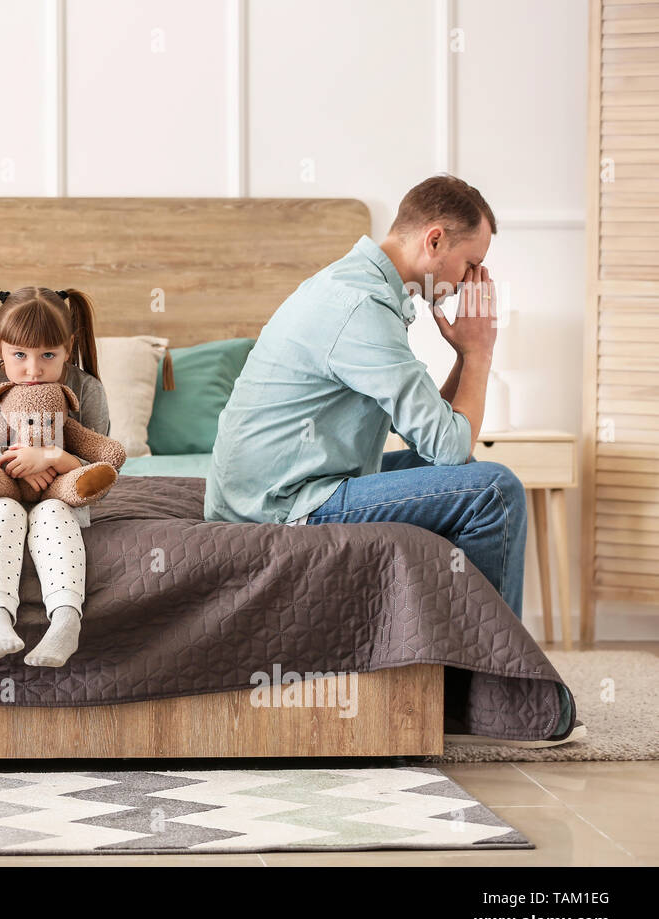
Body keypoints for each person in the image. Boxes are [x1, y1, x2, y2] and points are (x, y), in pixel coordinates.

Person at [205, 174, 527, 617]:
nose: (471, 281)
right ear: (435, 241)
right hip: (278, 506)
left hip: (282, 488)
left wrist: (463, 356)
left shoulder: (363, 290)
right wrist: (480, 352)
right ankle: (493, 680)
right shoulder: (361, 306)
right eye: (471, 264)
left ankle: (452, 653)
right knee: (495, 491)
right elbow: (452, 447)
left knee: (469, 472)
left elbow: (434, 438)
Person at [0, 287, 117, 666]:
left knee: (52, 513)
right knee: (6, 510)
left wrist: (51, 457)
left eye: (48, 355)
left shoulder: (86, 389)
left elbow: (102, 471)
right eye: (18, 355)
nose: (33, 370)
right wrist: (14, 467)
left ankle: (66, 621)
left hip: (59, 495)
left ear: (69, 347)